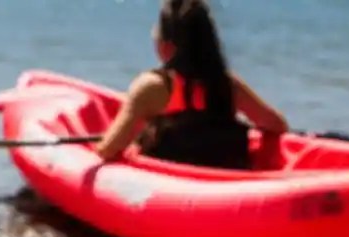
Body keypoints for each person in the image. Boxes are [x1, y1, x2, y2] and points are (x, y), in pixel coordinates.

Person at [93, 0, 288, 170]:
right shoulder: (226, 84)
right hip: (225, 183)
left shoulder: (151, 87)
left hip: (172, 188)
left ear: (167, 45)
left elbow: (108, 149)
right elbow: (276, 125)